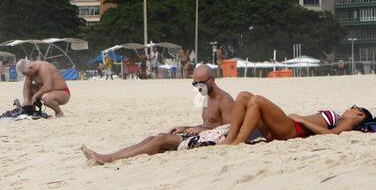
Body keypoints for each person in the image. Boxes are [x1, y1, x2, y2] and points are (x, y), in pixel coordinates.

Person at [80, 64, 254, 165]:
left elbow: (228, 130)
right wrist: (186, 127)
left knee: (160, 140)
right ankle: (112, 155)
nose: (198, 87)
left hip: (207, 140)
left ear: (213, 79)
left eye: (201, 83)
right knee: (153, 138)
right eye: (195, 84)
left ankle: (107, 159)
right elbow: (209, 123)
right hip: (201, 134)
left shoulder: (225, 100)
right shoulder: (206, 96)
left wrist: (198, 131)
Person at [224, 95, 375, 145]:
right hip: (289, 126)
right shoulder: (341, 118)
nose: (350, 108)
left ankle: (237, 142)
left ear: (360, 115)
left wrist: (303, 121)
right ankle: (230, 139)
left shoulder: (347, 123)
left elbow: (332, 135)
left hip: (292, 129)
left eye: (354, 107)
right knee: (244, 96)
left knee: (256, 100)